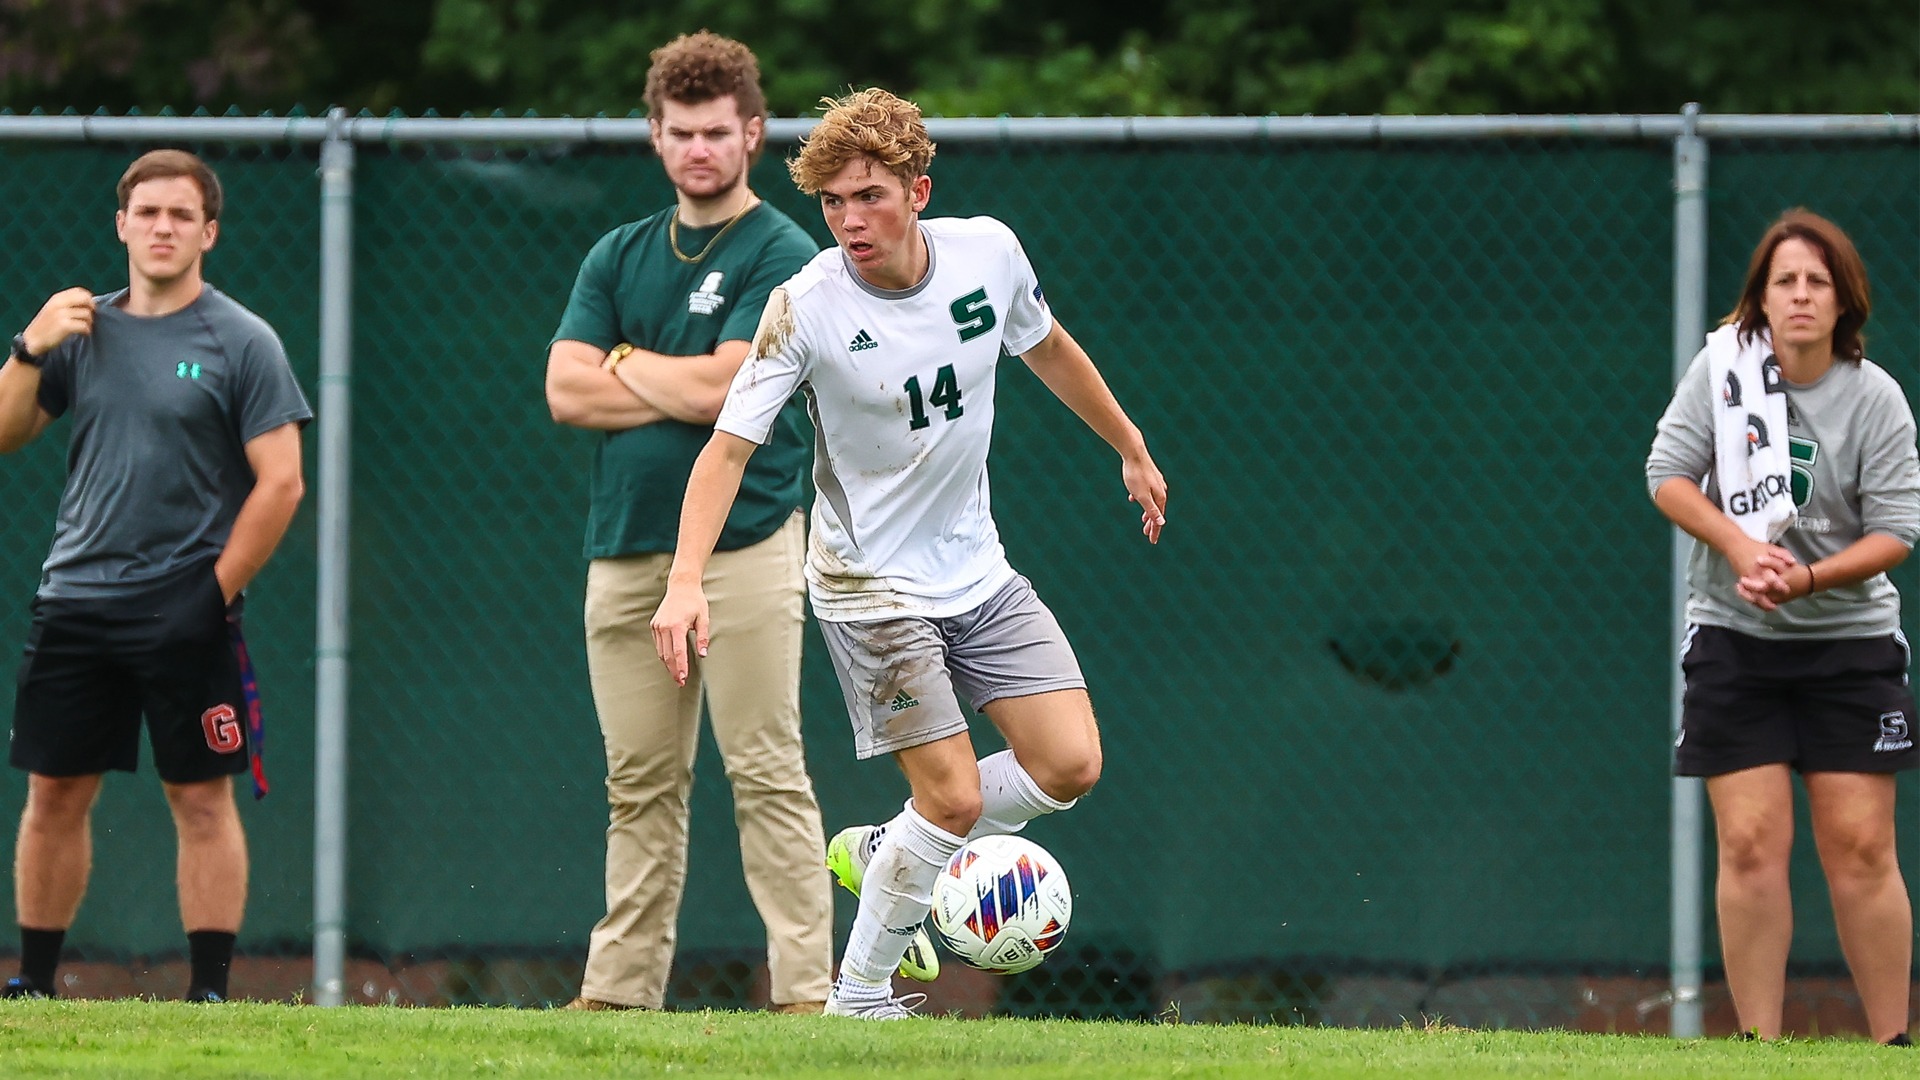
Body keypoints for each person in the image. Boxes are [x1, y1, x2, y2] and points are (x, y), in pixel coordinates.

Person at [650, 87, 1169, 1020]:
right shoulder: (802, 307)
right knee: (957, 802)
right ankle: (857, 998)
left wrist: (1129, 446)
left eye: (870, 197)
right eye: (833, 203)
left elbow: (1049, 350)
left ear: (919, 191)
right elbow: (725, 450)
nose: (850, 220)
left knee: (1070, 766)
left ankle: (890, 845)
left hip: (979, 571)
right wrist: (685, 581)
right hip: (868, 587)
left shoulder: (990, 254)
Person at [544, 31, 835, 1014]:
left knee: (765, 772)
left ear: (753, 133)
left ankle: (805, 995)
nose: (699, 150)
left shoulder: (786, 252)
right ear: (655, 137)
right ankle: (618, 996)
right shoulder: (618, 252)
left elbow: (732, 388)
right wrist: (665, 379)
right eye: (681, 133)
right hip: (624, 548)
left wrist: (622, 362)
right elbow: (562, 392)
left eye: (718, 132)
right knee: (639, 784)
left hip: (746, 545)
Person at [0, 150, 311, 1002]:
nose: (163, 228)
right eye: (148, 213)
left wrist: (207, 595)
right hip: (74, 601)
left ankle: (208, 992)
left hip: (186, 609)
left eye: (181, 215)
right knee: (54, 793)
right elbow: (2, 431)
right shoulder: (77, 331)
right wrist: (29, 346)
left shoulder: (243, 340)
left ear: (208, 232)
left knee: (202, 799)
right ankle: (33, 980)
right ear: (121, 226)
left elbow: (282, 481)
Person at [1647, 208, 1917, 1046]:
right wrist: (1736, 545)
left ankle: (1891, 1047)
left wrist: (1805, 579)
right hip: (1734, 640)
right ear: (1761, 300)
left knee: (1862, 848)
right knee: (1754, 843)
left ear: (1844, 302)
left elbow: (1897, 532)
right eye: (1784, 282)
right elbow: (1667, 473)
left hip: (1851, 647)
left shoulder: (1876, 398)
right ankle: (1759, 1050)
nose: (1801, 297)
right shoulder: (1721, 371)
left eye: (1817, 283)